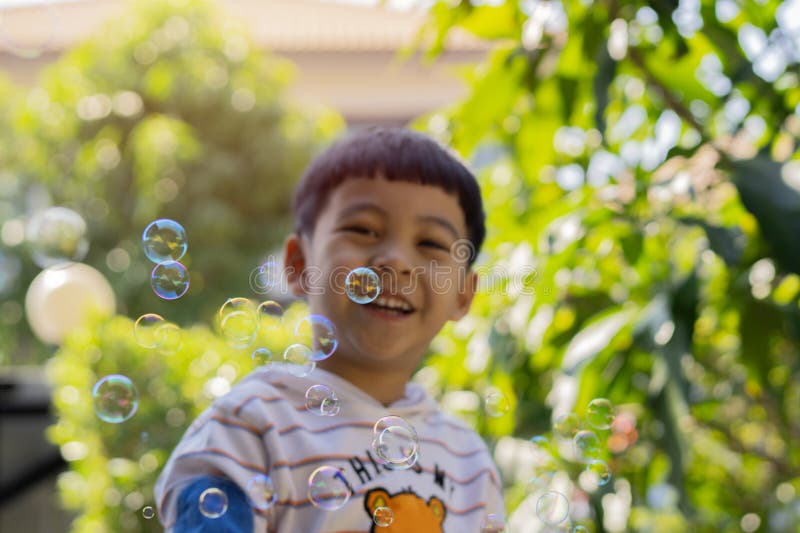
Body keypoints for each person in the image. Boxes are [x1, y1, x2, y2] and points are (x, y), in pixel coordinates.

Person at [155, 126, 505, 532]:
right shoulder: (250, 426)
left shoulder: (470, 462)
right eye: (363, 230)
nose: (395, 260)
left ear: (463, 295)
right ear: (299, 264)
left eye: (431, 243)